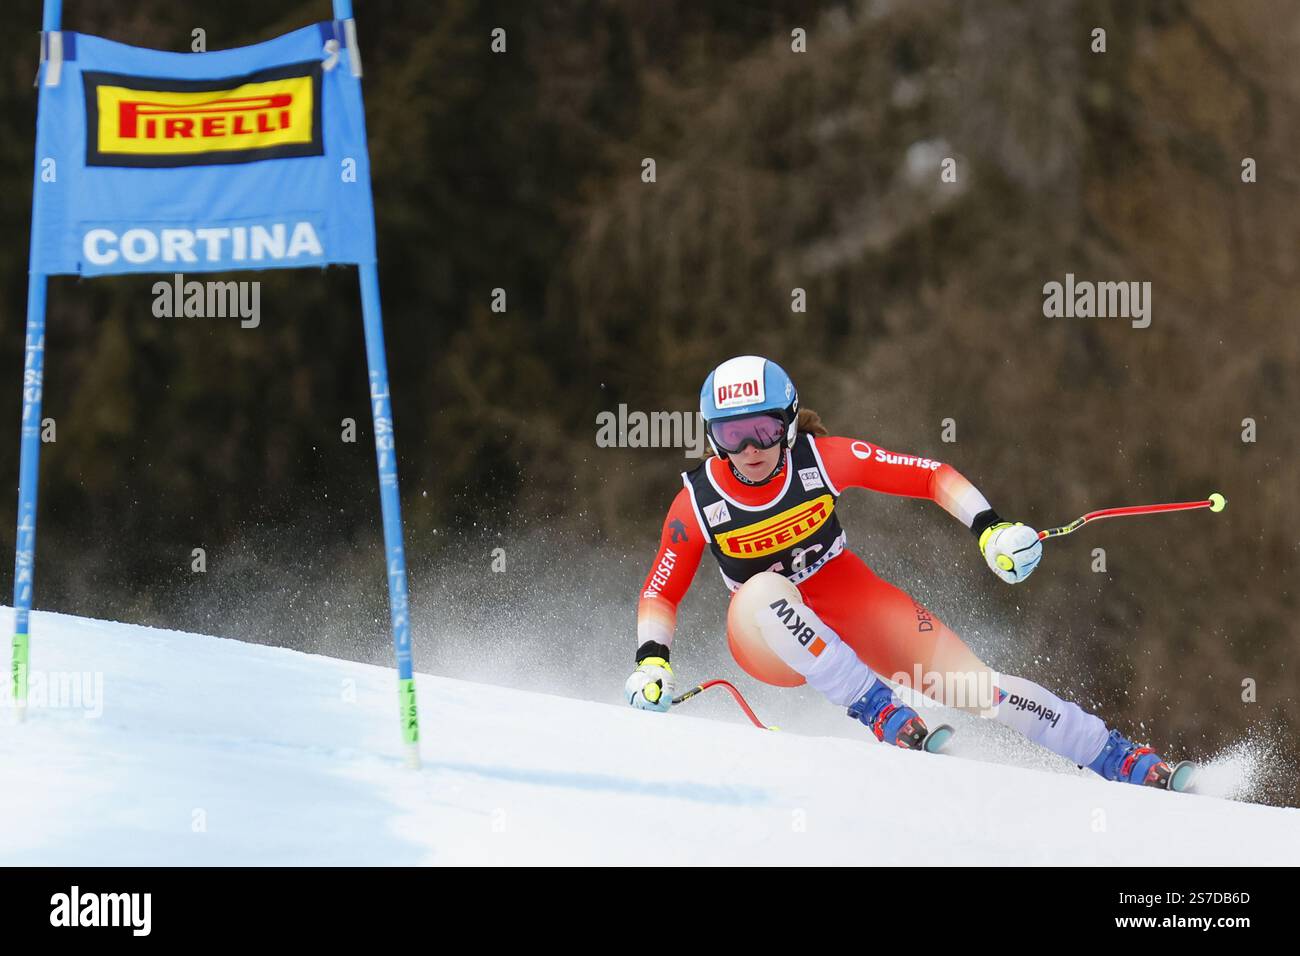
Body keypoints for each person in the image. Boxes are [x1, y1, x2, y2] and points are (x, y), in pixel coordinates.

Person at [626, 355, 1193, 790]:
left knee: (974, 686)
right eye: (732, 436)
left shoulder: (824, 461)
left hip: (849, 597)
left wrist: (990, 528)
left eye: (766, 431)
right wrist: (652, 663)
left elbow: (929, 474)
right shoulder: (698, 503)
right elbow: (661, 591)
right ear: (712, 438)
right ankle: (878, 708)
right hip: (767, 638)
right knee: (763, 592)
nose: (751, 449)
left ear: (789, 424)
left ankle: (1116, 756)